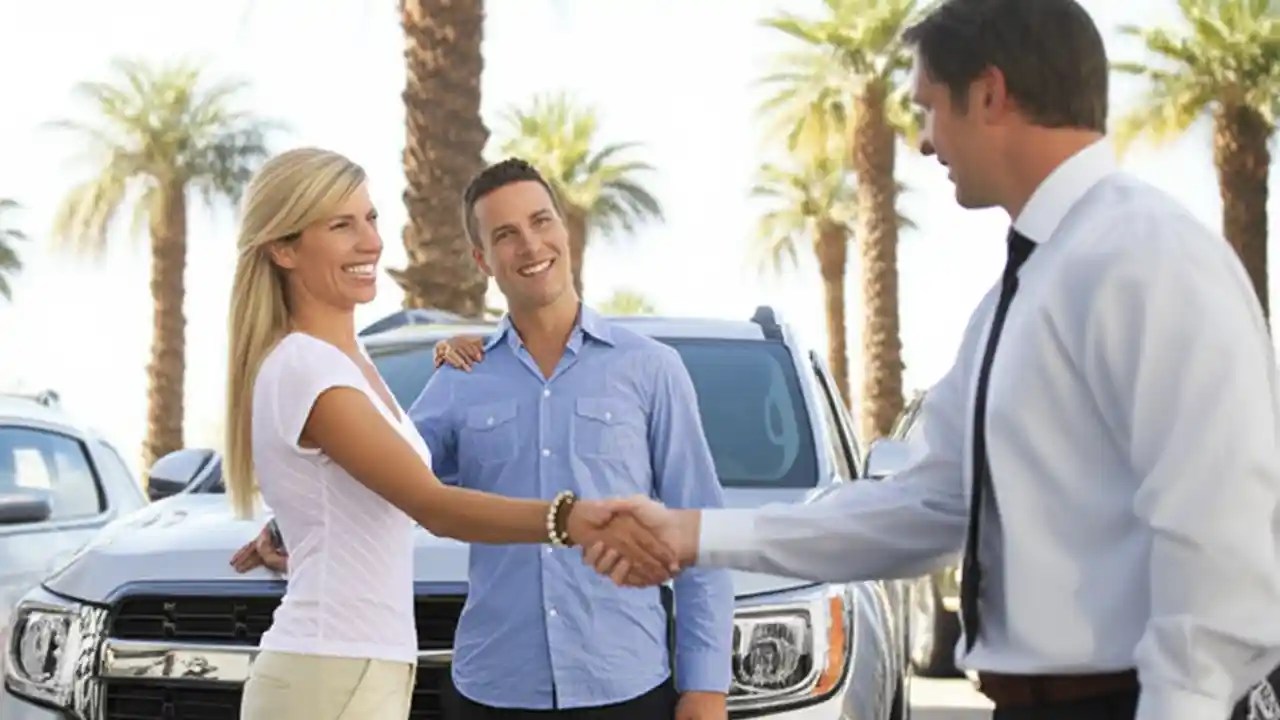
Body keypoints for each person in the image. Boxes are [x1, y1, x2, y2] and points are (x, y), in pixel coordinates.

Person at [586, 1, 1280, 719]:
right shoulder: (1019, 295)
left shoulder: (1149, 258)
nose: (920, 141)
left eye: (927, 107)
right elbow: (927, 505)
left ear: (988, 93)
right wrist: (692, 533)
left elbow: (1218, 534)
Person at [222, 147, 675, 720]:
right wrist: (572, 519)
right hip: (331, 673)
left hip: (356, 669)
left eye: (371, 218)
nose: (371, 242)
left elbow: (364, 483)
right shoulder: (306, 366)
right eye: (342, 225)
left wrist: (288, 527)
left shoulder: (346, 359)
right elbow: (430, 504)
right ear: (284, 248)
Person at [416, 158, 733, 720]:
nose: (530, 244)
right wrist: (284, 528)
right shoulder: (459, 379)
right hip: (492, 690)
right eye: (505, 235)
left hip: (627, 685)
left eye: (541, 222)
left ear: (565, 229)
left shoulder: (651, 368)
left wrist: (706, 686)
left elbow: (700, 529)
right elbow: (384, 475)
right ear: (482, 259)